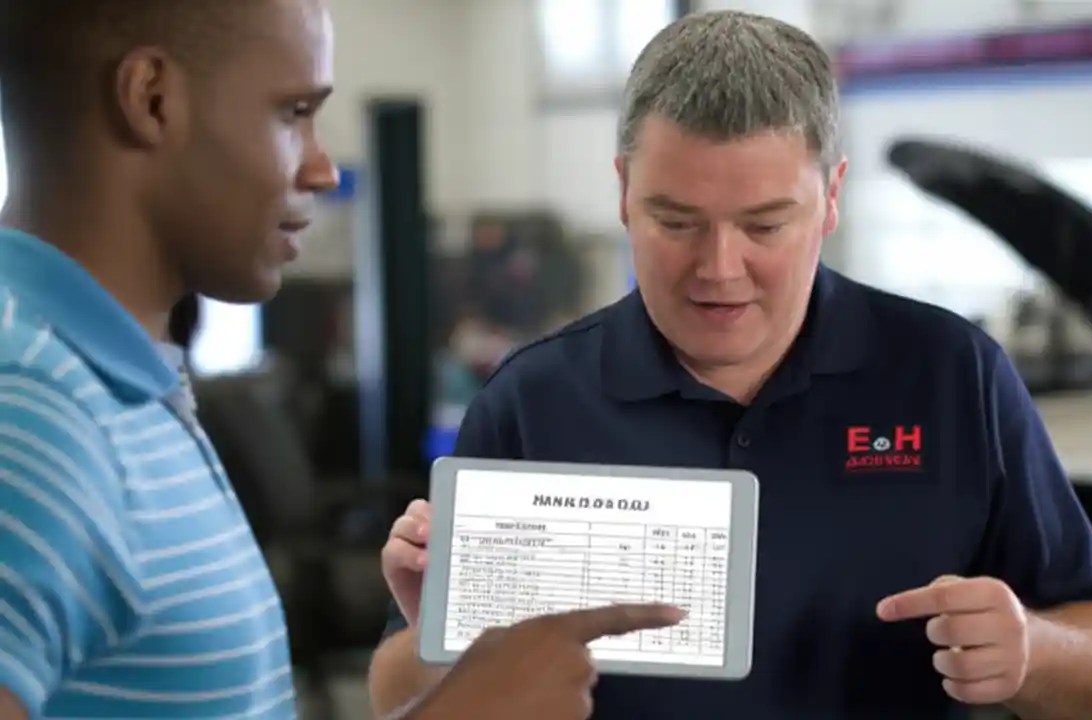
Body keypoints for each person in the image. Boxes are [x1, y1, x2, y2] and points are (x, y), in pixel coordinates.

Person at [370, 10, 1092, 720]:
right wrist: (433, 633)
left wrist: (1032, 651)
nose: (720, 268)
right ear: (623, 191)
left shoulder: (950, 376)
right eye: (675, 221)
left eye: (765, 225)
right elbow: (395, 692)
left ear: (831, 196)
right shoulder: (532, 402)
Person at [0, 1, 680, 718]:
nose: (323, 168)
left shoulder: (111, 392)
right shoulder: (33, 413)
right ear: (153, 100)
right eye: (292, 112)